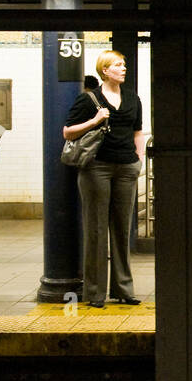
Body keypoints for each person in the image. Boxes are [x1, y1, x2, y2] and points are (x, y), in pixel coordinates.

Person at [63, 51, 145, 309]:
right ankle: (96, 292)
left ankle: (123, 289)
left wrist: (138, 160)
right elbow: (67, 131)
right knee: (97, 230)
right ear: (105, 70)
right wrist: (95, 120)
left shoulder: (133, 98)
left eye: (124, 64)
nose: (123, 68)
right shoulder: (89, 99)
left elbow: (138, 131)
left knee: (122, 229)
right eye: (118, 65)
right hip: (96, 167)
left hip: (126, 167)